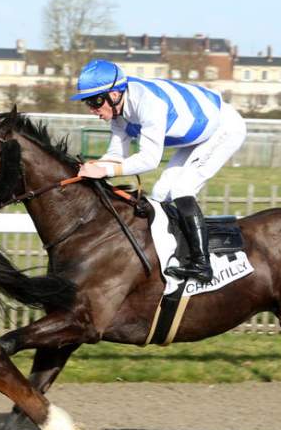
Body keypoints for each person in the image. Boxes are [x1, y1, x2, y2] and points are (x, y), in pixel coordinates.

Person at [71, 58, 247, 283]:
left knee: (183, 188)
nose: (92, 110)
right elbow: (116, 155)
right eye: (87, 103)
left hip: (223, 129)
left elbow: (149, 160)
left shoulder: (148, 104)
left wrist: (106, 171)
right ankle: (173, 254)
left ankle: (202, 264)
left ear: (113, 95)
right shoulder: (118, 112)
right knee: (160, 192)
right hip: (198, 135)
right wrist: (95, 166)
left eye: (94, 102)